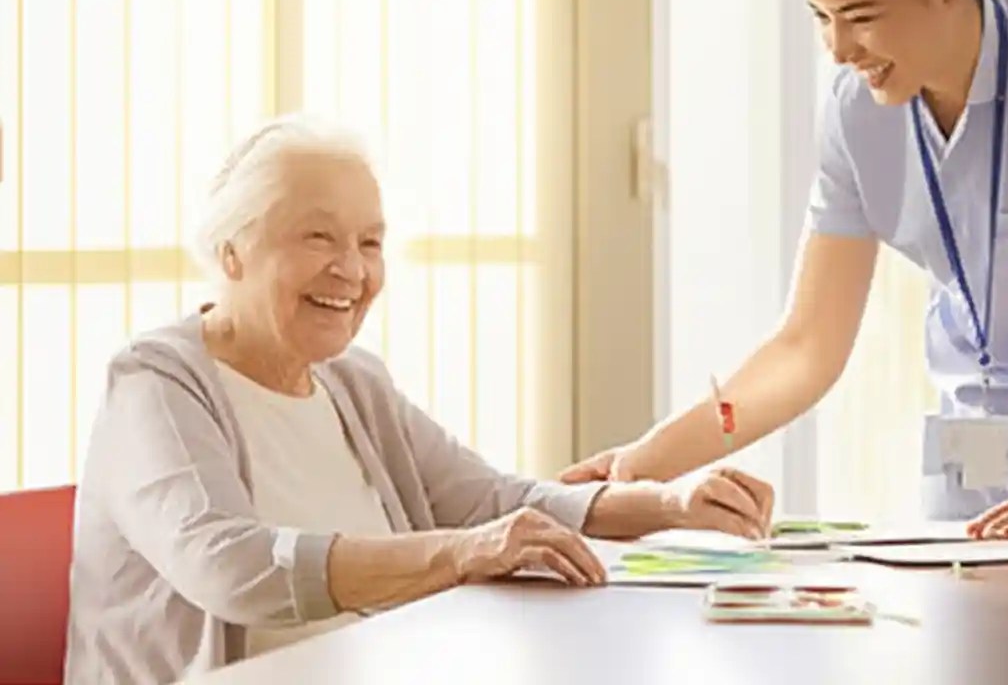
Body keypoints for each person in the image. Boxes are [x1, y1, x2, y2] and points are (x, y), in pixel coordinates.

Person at [63, 116, 775, 684]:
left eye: (370, 242)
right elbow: (232, 567)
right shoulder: (155, 384)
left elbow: (491, 504)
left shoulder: (351, 382)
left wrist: (669, 505)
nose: (352, 269)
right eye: (318, 236)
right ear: (231, 251)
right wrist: (461, 555)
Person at [562, 0, 1008, 537]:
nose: (838, 48)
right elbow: (806, 347)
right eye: (821, 18)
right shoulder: (858, 113)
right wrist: (644, 463)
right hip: (988, 418)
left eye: (860, 17)